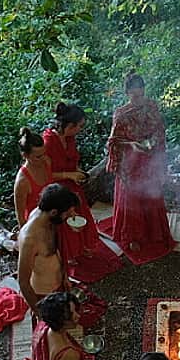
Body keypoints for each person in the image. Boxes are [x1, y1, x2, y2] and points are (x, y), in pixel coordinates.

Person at [106, 72, 175, 255]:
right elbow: (113, 141)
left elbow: (160, 130)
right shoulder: (121, 114)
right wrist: (132, 144)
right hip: (130, 163)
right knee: (132, 199)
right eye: (135, 96)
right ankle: (132, 237)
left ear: (144, 91)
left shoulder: (151, 106)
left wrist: (153, 143)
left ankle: (154, 233)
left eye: (141, 94)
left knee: (151, 194)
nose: (138, 100)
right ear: (127, 93)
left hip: (150, 159)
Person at [43, 102, 102, 264]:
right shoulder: (48, 142)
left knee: (80, 214)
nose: (81, 129)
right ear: (70, 125)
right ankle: (68, 253)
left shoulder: (70, 138)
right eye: (80, 126)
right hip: (56, 189)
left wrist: (79, 172)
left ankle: (81, 247)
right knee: (65, 220)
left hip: (72, 185)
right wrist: (69, 175)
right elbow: (44, 175)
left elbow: (72, 161)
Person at [17, 183, 77, 310]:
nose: (71, 216)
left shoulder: (47, 216)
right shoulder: (30, 239)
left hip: (60, 283)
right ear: (54, 212)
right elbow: (23, 282)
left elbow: (57, 249)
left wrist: (64, 276)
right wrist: (38, 311)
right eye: (67, 213)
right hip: (44, 293)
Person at [13, 127, 53, 229]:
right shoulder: (23, 181)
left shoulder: (46, 162)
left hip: (53, 219)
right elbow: (21, 217)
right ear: (25, 155)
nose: (43, 158)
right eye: (38, 157)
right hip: (35, 226)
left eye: (44, 153)